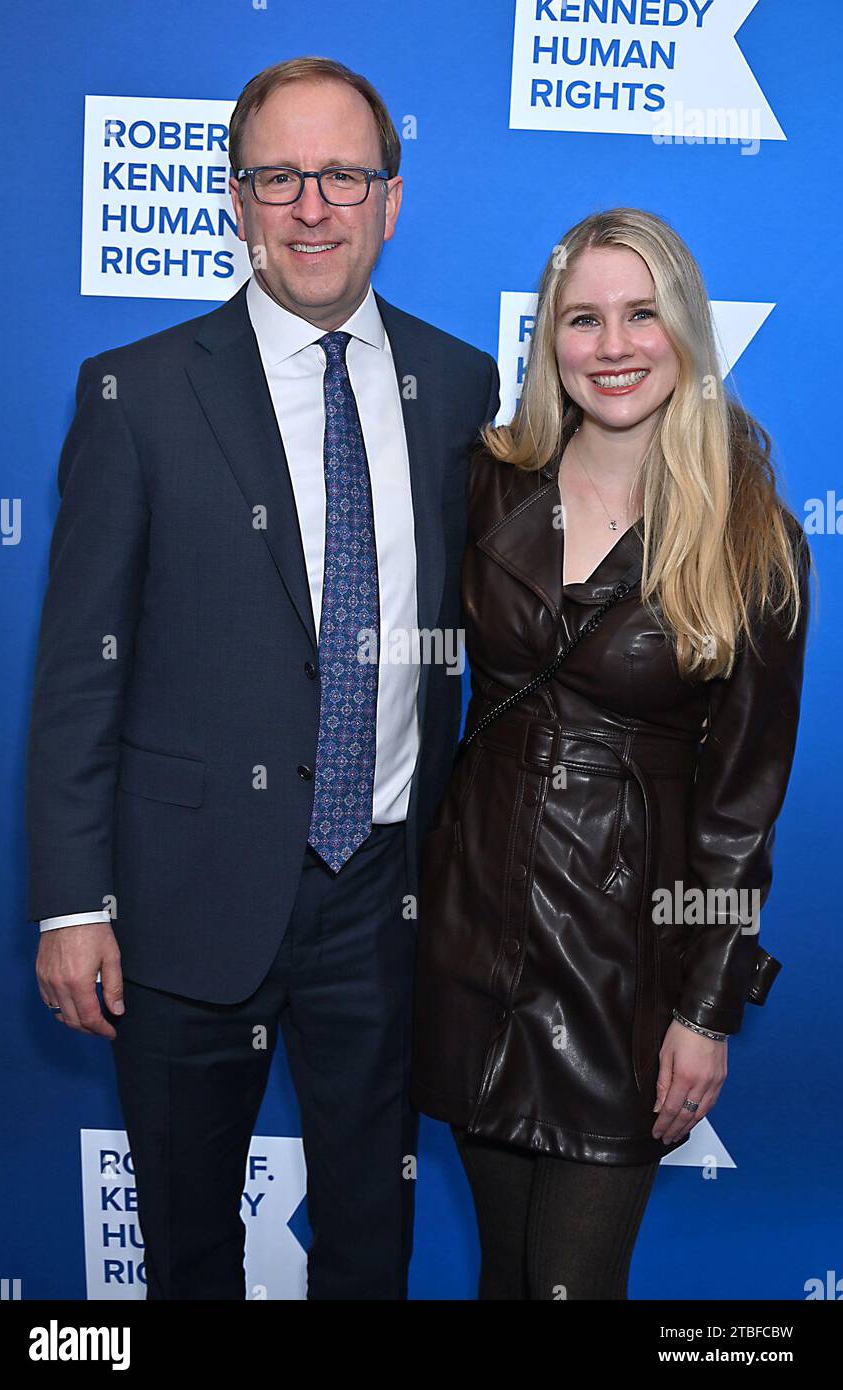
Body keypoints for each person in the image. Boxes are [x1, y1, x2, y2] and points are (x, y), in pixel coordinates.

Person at [26, 56, 498, 1300]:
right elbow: (81, 667)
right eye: (278, 176)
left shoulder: (458, 388)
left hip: (383, 890)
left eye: (342, 174)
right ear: (234, 200)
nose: (312, 206)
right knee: (187, 1249)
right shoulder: (135, 392)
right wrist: (73, 903)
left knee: (368, 1242)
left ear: (390, 199)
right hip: (183, 895)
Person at [409, 207, 812, 1300]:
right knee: (504, 1275)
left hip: (625, 967)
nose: (614, 344)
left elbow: (741, 807)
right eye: (582, 319)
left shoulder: (752, 539)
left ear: (685, 329)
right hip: (472, 936)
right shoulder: (486, 481)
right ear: (549, 342)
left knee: (573, 1287)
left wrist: (708, 1008)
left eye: (642, 314)